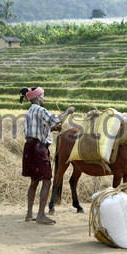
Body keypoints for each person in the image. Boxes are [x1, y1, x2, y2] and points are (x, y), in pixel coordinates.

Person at [22, 87, 75, 224]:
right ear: (38, 98)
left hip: (29, 147)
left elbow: (37, 129)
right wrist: (68, 112)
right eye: (43, 96)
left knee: (34, 180)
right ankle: (40, 215)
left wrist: (51, 129)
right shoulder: (40, 110)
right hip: (39, 148)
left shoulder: (29, 112)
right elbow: (57, 119)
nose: (44, 99)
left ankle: (29, 214)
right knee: (47, 180)